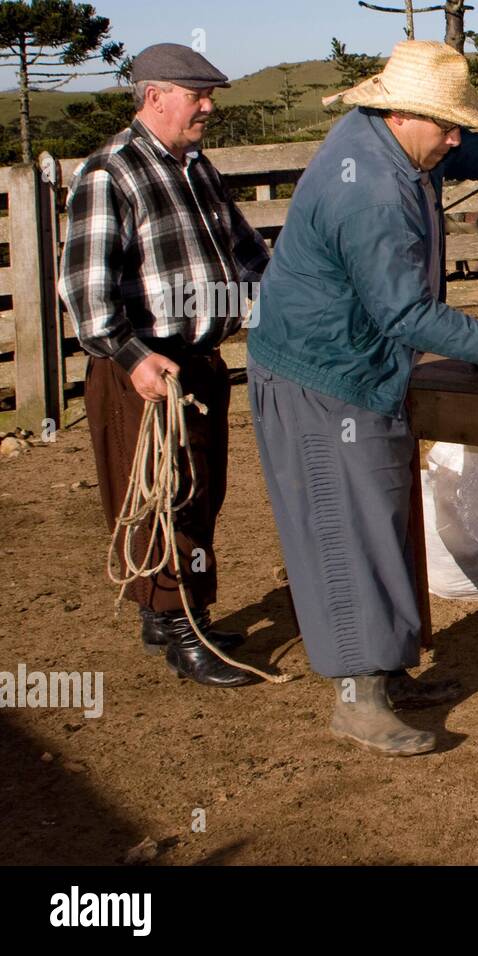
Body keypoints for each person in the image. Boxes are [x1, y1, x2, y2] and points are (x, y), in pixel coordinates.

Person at [246, 40, 478, 756]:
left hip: (361, 365)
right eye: (447, 126)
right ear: (400, 114)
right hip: (320, 373)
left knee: (384, 516)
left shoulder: (389, 139)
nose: (456, 138)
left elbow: (459, 149)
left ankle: (387, 668)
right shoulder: (371, 190)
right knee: (341, 528)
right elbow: (408, 315)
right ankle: (357, 698)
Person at [58, 43, 271, 688]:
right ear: (156, 97)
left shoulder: (197, 167)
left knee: (201, 489)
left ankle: (163, 613)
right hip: (145, 369)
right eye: (198, 96)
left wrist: (287, 301)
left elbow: (247, 253)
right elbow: (85, 292)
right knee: (163, 494)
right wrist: (132, 357)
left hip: (198, 364)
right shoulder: (109, 174)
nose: (209, 108)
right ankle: (184, 626)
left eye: (211, 96)